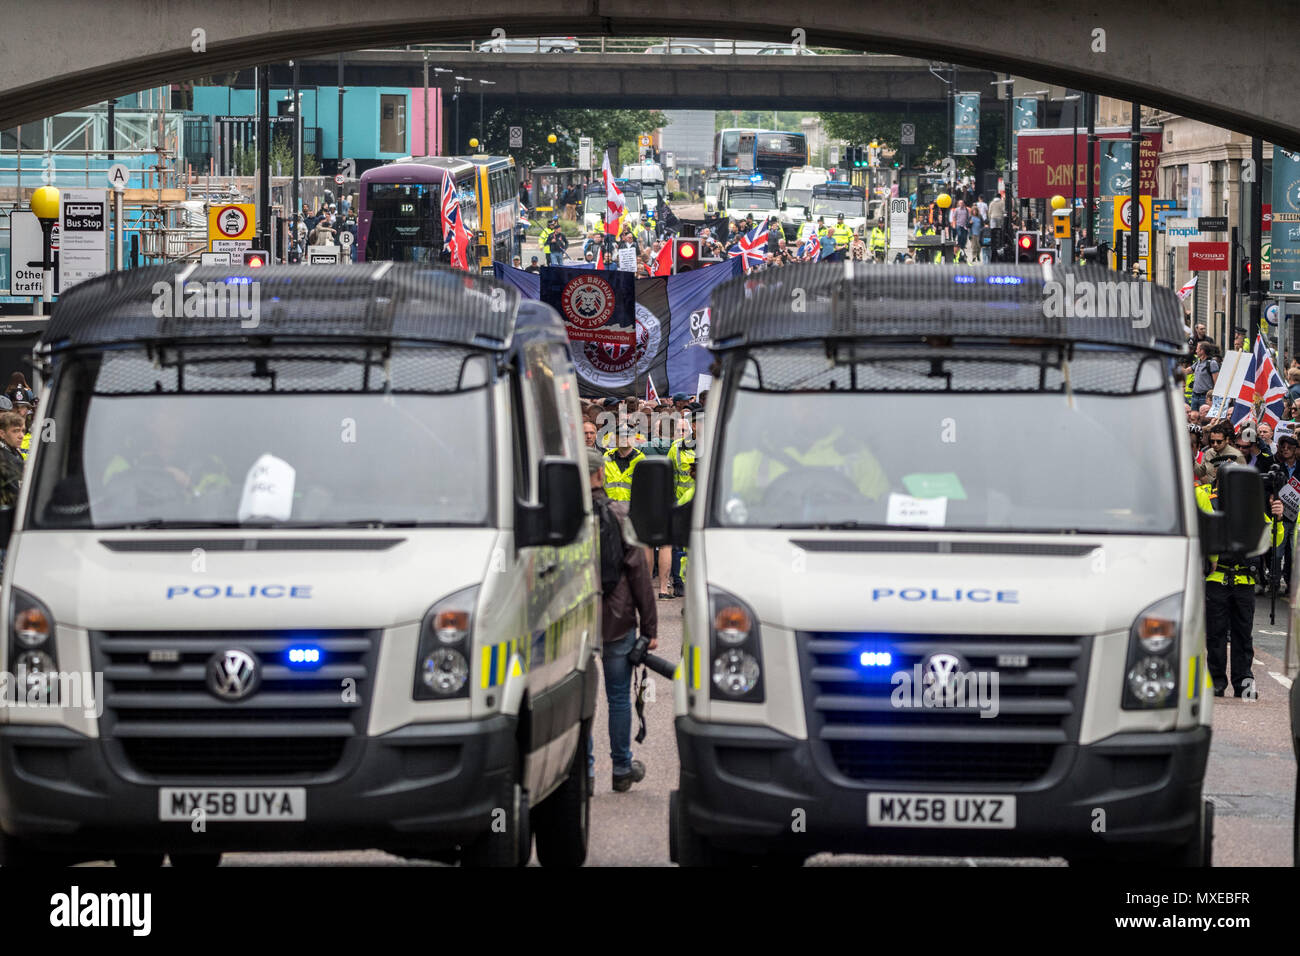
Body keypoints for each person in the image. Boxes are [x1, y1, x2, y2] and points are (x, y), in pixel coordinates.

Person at [586, 446, 657, 792]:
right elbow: (640, 575)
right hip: (617, 618)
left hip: (574, 621)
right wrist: (650, 628)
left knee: (579, 699)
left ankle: (582, 773)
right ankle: (621, 767)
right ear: (601, 474)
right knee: (618, 696)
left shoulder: (560, 514)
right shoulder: (618, 515)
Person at [1198, 443, 1283, 697]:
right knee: (1214, 634)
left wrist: (1277, 518)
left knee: (1243, 635)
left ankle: (1244, 681)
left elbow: (1271, 540)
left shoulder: (1251, 505)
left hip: (1244, 579)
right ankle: (1215, 681)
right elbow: (1197, 528)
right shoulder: (1204, 496)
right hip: (1216, 578)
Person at [0, 408, 23, 510]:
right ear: (2, 434)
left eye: (23, 431)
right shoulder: (6, 459)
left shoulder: (15, 452)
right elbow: (18, 496)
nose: (21, 436)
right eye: (15, 431)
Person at [1191, 342, 1219, 410]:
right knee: (1193, 416)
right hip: (1194, 396)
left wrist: (1214, 398)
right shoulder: (1198, 362)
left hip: (1204, 398)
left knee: (1204, 417)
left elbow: (1216, 382)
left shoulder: (1212, 363)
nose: (1196, 351)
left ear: (1202, 351)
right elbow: (1187, 370)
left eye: (1197, 349)